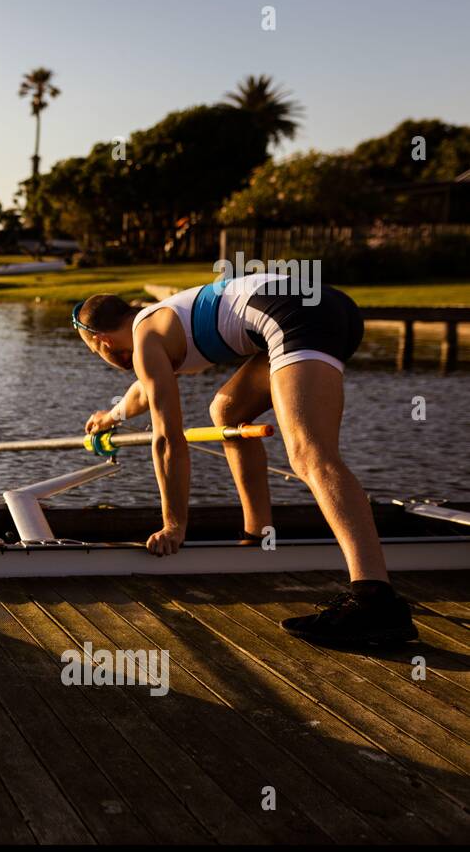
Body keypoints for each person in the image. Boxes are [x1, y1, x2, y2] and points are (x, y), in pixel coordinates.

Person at [74, 272, 415, 647]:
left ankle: (373, 598)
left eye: (96, 353)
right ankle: (257, 534)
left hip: (296, 313)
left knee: (310, 454)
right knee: (227, 411)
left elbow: (167, 439)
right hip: (329, 306)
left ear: (101, 341)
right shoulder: (160, 320)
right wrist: (111, 417)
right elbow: (144, 389)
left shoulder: (146, 341)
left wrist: (173, 525)